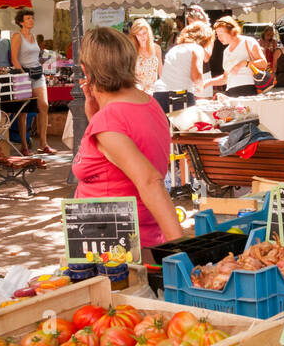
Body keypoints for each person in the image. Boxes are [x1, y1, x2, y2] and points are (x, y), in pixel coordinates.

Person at [72, 27, 184, 251]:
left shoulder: (109, 121)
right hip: (132, 235)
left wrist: (181, 249)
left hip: (115, 247)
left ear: (86, 70)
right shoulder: (149, 104)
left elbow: (150, 181)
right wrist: (95, 116)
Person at [10, 9, 54, 154]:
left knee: (44, 106)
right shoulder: (17, 36)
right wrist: (23, 75)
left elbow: (35, 56)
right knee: (24, 111)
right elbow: (14, 59)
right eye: (28, 18)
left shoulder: (34, 36)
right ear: (21, 22)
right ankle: (24, 145)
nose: (31, 20)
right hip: (24, 74)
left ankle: (43, 143)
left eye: (32, 18)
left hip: (37, 73)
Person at [153, 21, 212, 111]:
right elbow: (196, 76)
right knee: (186, 124)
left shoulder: (175, 49)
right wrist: (200, 87)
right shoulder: (197, 48)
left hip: (160, 93)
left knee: (165, 124)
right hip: (180, 95)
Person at [207, 17, 267, 97]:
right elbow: (225, 78)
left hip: (248, 90)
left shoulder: (248, 42)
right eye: (217, 35)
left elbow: (263, 63)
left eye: (221, 34)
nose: (219, 38)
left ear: (232, 32)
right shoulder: (226, 51)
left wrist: (244, 63)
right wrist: (208, 82)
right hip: (230, 92)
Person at [128, 19, 163, 94]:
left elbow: (161, 72)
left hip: (154, 91)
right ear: (135, 36)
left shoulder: (156, 48)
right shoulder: (132, 50)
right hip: (137, 92)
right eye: (138, 34)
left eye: (144, 33)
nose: (142, 37)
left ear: (148, 33)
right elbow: (129, 74)